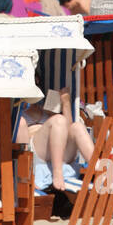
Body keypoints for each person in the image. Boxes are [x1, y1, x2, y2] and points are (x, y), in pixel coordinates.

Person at [16, 67, 94, 195]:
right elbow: (20, 142)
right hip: (37, 153)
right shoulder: (19, 111)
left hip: (62, 152)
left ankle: (100, 169)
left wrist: (65, 102)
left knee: (77, 126)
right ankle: (57, 174)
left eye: (36, 82)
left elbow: (69, 130)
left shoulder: (47, 109)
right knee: (58, 120)